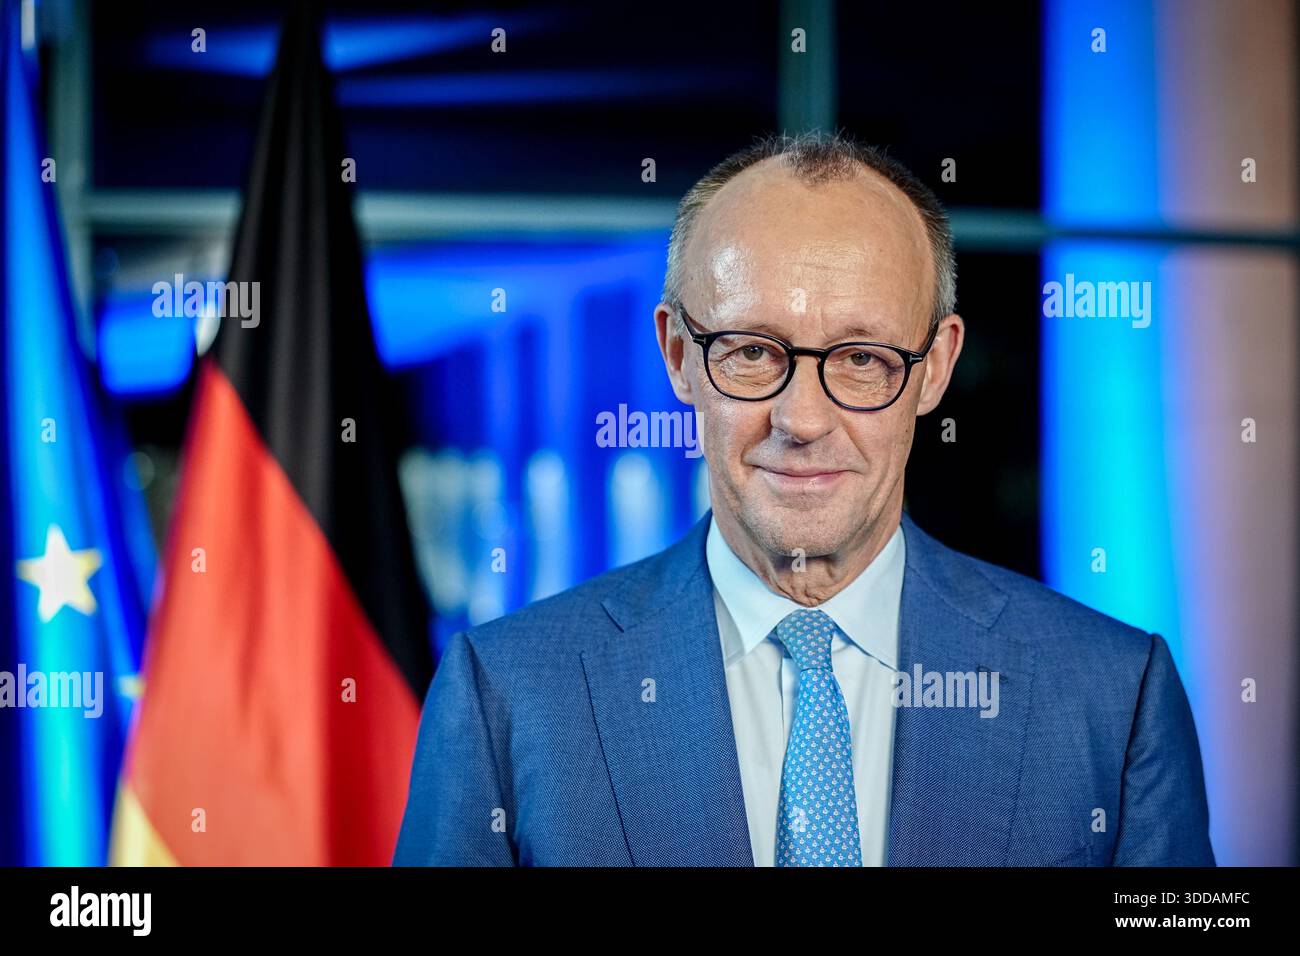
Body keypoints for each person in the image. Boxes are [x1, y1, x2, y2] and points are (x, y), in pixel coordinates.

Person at [393, 132, 1215, 866]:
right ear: (679, 355)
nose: (803, 420)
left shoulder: (1114, 695)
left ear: (933, 368)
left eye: (861, 359)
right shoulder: (505, 692)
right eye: (753, 351)